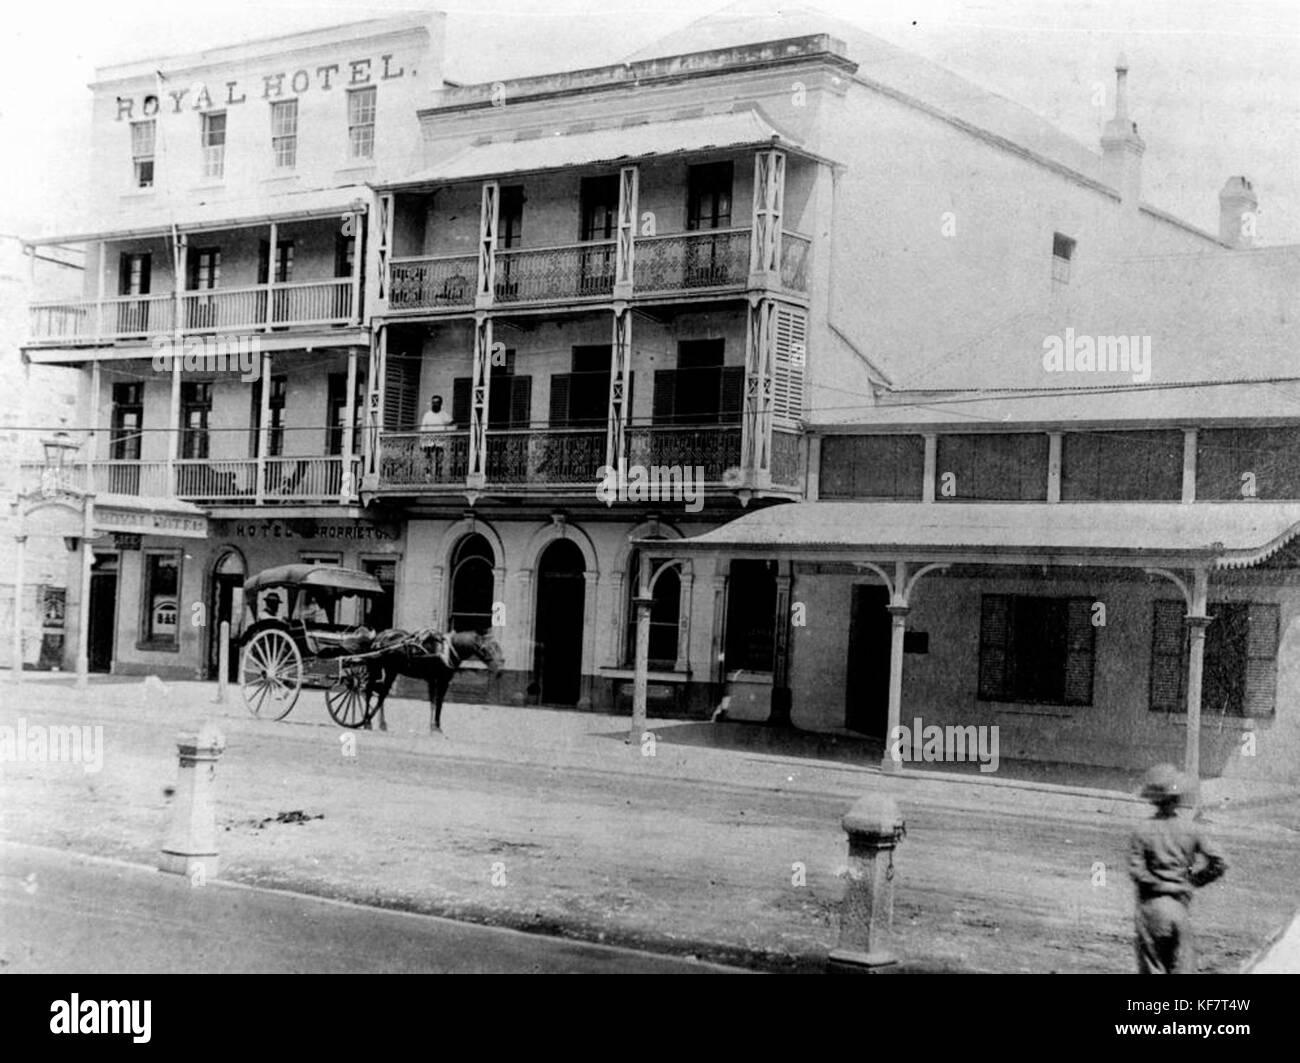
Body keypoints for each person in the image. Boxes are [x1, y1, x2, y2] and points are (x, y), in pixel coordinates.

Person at [1128, 763, 1227, 974]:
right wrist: (1192, 882)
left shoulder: (1142, 830)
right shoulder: (1192, 829)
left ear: (1153, 800)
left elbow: (1137, 872)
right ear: (1179, 798)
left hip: (1150, 909)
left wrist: (1161, 883)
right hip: (1179, 907)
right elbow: (1219, 862)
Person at [419, 395, 455, 479]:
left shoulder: (444, 415)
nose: (435, 404)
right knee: (428, 459)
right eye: (433, 403)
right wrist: (422, 442)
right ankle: (427, 476)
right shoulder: (427, 415)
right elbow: (423, 429)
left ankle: (438, 476)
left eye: (437, 403)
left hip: (439, 441)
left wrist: (447, 432)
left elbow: (453, 423)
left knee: (439, 459)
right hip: (429, 440)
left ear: (440, 404)